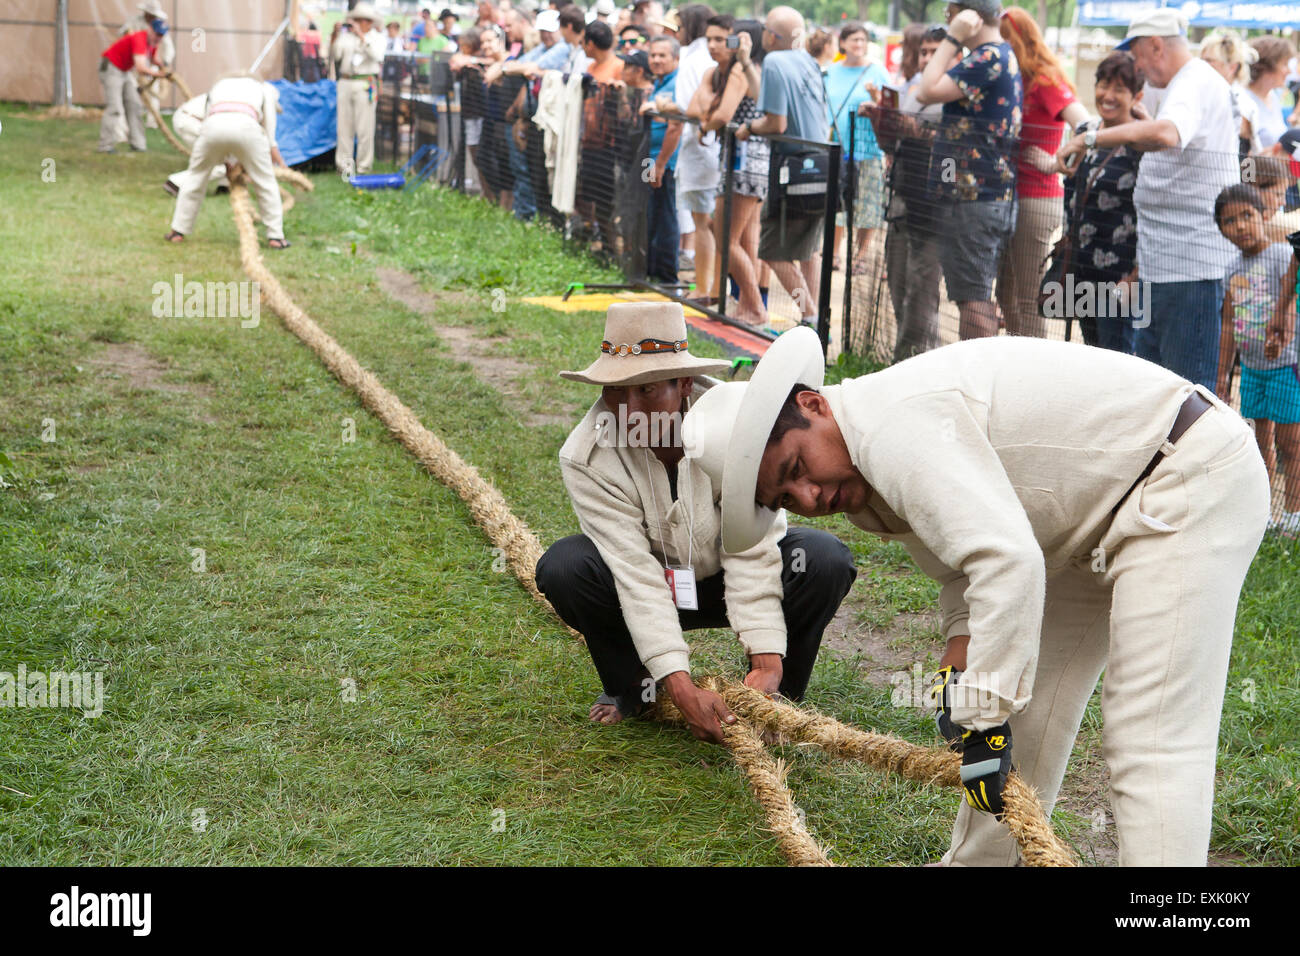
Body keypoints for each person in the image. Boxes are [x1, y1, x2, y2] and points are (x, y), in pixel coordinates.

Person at [683, 326, 1270, 866]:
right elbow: (964, 567)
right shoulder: (858, 466)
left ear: (813, 404)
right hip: (1089, 520)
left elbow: (1005, 560)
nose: (808, 498)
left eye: (797, 466)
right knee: (1029, 714)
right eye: (786, 496)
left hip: (1184, 475)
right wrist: (960, 656)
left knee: (1151, 740)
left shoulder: (892, 427)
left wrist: (982, 717)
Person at [535, 304, 856, 739]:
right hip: (652, 588)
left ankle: (776, 700)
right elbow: (634, 574)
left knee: (821, 558)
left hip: (723, 578)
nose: (627, 409)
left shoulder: (737, 427)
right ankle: (636, 689)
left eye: (646, 390)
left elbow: (751, 546)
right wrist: (680, 685)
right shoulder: (585, 455)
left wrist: (765, 657)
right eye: (615, 390)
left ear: (684, 384)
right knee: (565, 566)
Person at [1058, 8, 1238, 394]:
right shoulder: (1178, 84)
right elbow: (1155, 136)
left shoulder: (1193, 81)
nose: (1136, 66)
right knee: (1154, 389)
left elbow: (1168, 134)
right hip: (1164, 265)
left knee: (1186, 392)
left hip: (1190, 267)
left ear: (1155, 46)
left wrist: (1089, 138)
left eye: (1137, 54)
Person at [916, 0, 1023, 341]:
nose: (948, 21)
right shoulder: (997, 55)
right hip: (975, 194)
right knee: (972, 293)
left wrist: (952, 38)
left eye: (950, 15)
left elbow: (925, 91)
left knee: (972, 296)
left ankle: (980, 378)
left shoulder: (987, 57)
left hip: (975, 199)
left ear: (967, 16)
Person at [995, 7, 1088, 340]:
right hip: (1009, 197)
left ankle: (1037, 375)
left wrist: (1055, 161)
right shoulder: (1011, 78)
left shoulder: (1045, 80)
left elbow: (1086, 125)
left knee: (1027, 297)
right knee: (1005, 295)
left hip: (1037, 198)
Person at [1214, 184, 1300, 534]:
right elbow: (1227, 327)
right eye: (1230, 221)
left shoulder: (1283, 256)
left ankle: (1294, 517)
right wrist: (1222, 376)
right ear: (1221, 230)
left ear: (1264, 215)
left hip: (1286, 368)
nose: (1241, 226)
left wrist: (1284, 334)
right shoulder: (1231, 270)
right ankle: (1265, 515)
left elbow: (1292, 302)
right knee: (1258, 444)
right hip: (1251, 371)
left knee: (1290, 444)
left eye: (1247, 216)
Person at [737, 5, 830, 326]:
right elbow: (769, 98)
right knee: (807, 251)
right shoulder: (807, 60)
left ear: (770, 36)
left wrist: (749, 129)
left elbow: (775, 123)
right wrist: (747, 64)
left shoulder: (775, 61)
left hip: (792, 171)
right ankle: (814, 320)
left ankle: (810, 317)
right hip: (822, 166)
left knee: (774, 253)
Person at [1060, 50, 1145, 353]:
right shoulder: (1085, 131)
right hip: (1081, 269)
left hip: (1121, 277)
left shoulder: (1140, 142)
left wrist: (1135, 277)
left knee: (1121, 360)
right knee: (1092, 355)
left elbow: (1149, 213)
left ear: (1137, 95)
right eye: (1103, 85)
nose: (1108, 95)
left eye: (1119, 89)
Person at [875, 23, 945, 360]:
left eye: (936, 52)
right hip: (902, 198)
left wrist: (916, 131)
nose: (927, 58)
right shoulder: (912, 91)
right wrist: (881, 121)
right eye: (924, 52)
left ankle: (913, 364)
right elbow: (891, 144)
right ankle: (909, 362)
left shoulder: (954, 96)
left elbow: (955, 153)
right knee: (899, 286)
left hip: (934, 208)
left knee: (921, 293)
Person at [165, 73, 290, 250]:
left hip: (213, 126)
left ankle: (177, 231)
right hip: (247, 126)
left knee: (196, 176)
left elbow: (213, 118)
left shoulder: (220, 85)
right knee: (265, 181)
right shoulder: (266, 89)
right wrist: (279, 161)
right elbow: (270, 132)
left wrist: (227, 157)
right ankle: (276, 237)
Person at [825, 22, 891, 275]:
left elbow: (890, 108)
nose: (859, 45)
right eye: (854, 40)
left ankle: (861, 256)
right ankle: (834, 253)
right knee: (838, 203)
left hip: (869, 149)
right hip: (839, 148)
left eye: (863, 40)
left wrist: (875, 99)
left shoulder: (878, 72)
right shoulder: (831, 72)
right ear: (843, 43)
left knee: (869, 204)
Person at [642, 36, 685, 283]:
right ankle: (652, 269)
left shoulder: (677, 84)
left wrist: (659, 165)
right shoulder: (658, 83)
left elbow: (675, 127)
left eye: (662, 55)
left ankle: (668, 276)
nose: (656, 60)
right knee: (652, 214)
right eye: (653, 55)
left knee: (665, 215)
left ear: (676, 59)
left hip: (664, 163)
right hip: (649, 159)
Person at [97, 13, 169, 153]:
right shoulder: (140, 38)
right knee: (115, 108)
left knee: (134, 105)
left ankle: (138, 144)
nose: (159, 38)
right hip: (111, 67)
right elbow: (141, 68)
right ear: (150, 30)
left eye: (162, 35)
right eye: (157, 34)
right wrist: (159, 74)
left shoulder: (152, 43)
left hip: (124, 71)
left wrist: (163, 67)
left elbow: (154, 59)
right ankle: (105, 146)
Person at [331, 3, 386, 178]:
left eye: (360, 20)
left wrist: (362, 37)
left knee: (365, 128)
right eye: (354, 20)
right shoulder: (345, 38)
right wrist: (335, 35)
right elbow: (335, 55)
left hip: (365, 83)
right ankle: (345, 168)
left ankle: (363, 167)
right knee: (344, 128)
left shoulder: (377, 38)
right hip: (346, 82)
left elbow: (378, 56)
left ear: (368, 22)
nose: (356, 23)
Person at [1201, 33, 1262, 156]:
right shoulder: (1201, 94)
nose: (1201, 65)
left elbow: (1248, 158)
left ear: (1232, 67)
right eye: (1201, 60)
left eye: (1209, 61)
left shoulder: (1244, 106)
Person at [1246, 36, 1296, 151]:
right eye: (1284, 64)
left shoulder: (1272, 96)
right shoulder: (1244, 100)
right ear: (1267, 67)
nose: (1289, 71)